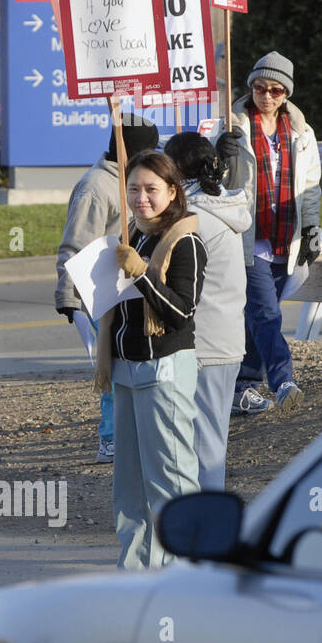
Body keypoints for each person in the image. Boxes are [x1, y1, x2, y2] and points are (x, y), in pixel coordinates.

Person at [97, 151, 207, 570]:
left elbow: (180, 312)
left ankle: (188, 578)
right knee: (129, 489)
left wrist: (141, 273)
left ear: (173, 192)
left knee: (171, 484)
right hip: (126, 370)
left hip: (164, 372)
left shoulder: (186, 241)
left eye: (151, 190)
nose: (141, 198)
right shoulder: (134, 235)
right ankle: (136, 577)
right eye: (134, 190)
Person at [213, 52, 322, 415]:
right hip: (246, 236)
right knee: (266, 315)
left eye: (276, 90)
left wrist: (310, 228)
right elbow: (207, 177)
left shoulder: (301, 132)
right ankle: (283, 381)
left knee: (259, 315)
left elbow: (309, 183)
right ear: (251, 87)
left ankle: (242, 386)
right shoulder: (230, 124)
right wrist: (218, 153)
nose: (267, 96)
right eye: (260, 88)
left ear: (286, 94)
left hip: (284, 237)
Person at [55, 121, 162, 463]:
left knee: (136, 363)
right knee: (113, 366)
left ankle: (133, 432)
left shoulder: (135, 183)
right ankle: (111, 438)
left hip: (133, 292)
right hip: (103, 295)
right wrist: (67, 295)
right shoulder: (96, 187)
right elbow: (74, 244)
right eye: (149, 150)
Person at [165, 132, 251, 492]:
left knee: (198, 447)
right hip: (226, 341)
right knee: (210, 440)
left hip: (203, 344)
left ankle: (204, 531)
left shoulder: (192, 218)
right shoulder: (224, 205)